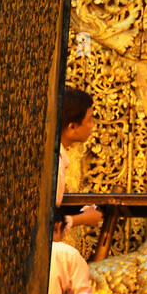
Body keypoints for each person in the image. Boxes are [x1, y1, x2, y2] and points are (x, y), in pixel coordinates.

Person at [56, 86, 102, 233]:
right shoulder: (55, 165)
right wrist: (82, 219)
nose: (93, 125)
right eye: (89, 120)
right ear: (72, 127)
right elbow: (51, 228)